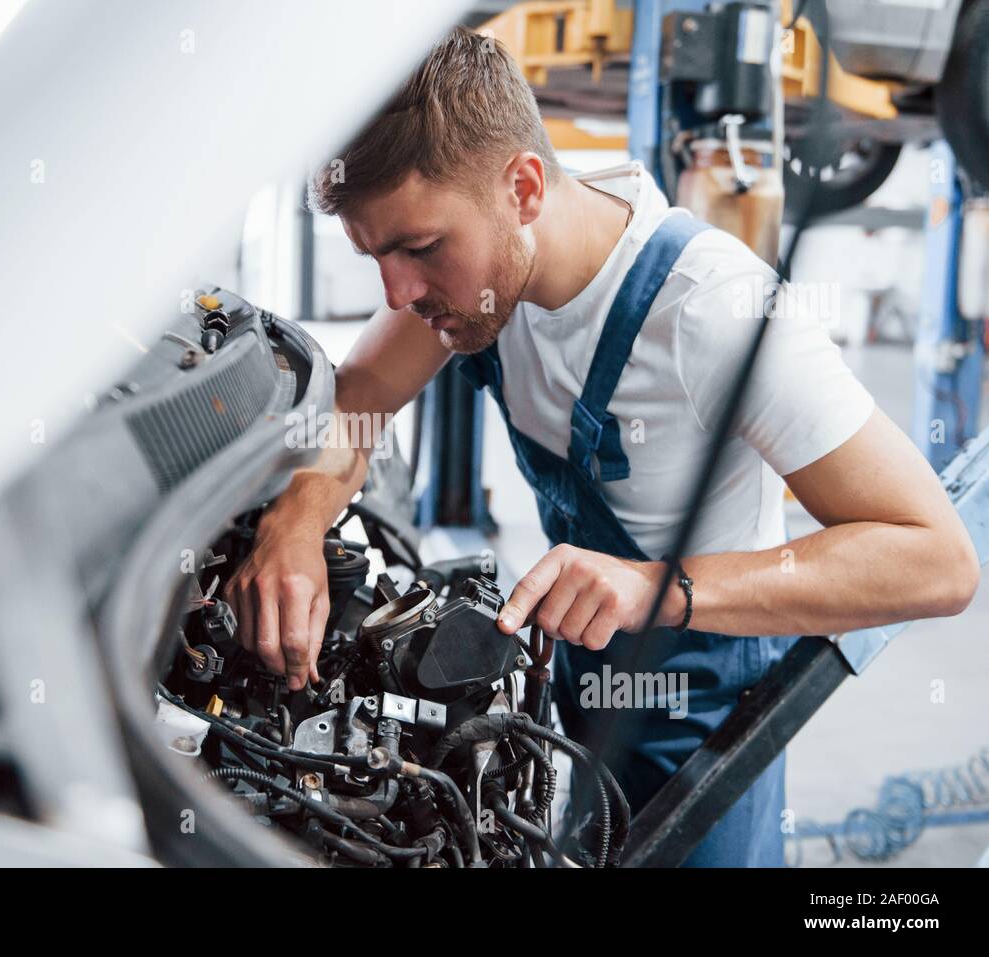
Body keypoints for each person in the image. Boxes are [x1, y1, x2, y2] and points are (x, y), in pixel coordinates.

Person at [224, 26, 979, 866]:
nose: (397, 293)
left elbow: (936, 561)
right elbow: (359, 401)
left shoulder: (712, 311)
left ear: (524, 188)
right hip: (580, 689)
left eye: (420, 248)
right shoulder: (475, 284)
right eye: (375, 256)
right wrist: (297, 519)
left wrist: (653, 588)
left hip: (704, 726)